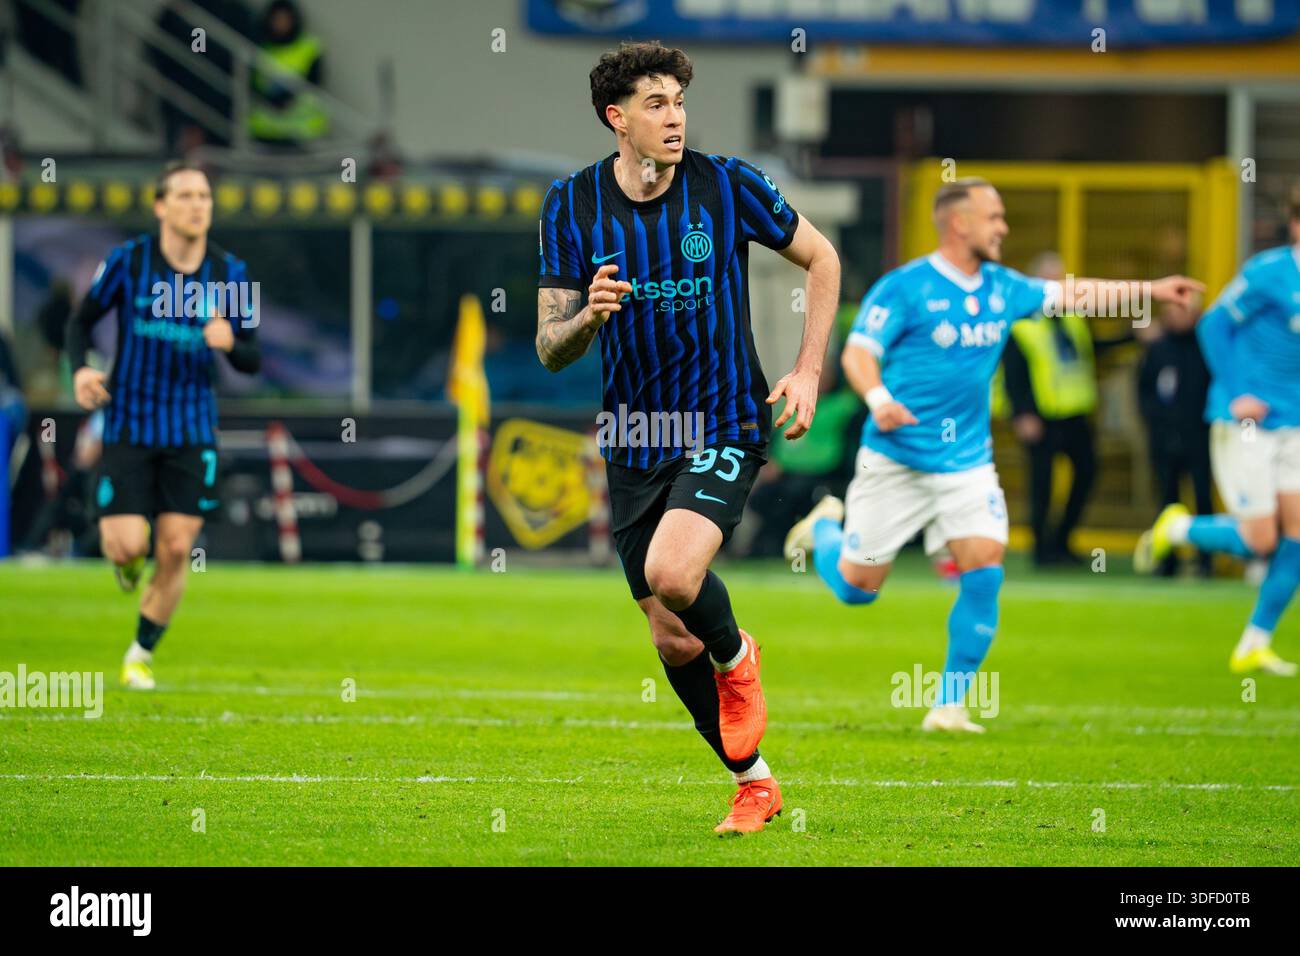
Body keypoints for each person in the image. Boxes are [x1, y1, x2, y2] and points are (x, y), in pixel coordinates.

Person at [536, 42, 839, 833]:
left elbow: (823, 257)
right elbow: (548, 345)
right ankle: (755, 782)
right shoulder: (569, 206)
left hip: (722, 420)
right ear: (618, 118)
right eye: (656, 105)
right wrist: (586, 318)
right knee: (672, 640)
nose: (674, 118)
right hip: (634, 436)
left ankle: (738, 656)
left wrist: (807, 371)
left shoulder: (725, 184)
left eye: (679, 102)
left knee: (676, 575)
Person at [785, 178, 1200, 732]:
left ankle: (949, 705)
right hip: (896, 460)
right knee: (859, 592)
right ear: (959, 223)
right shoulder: (905, 287)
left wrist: (1150, 290)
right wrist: (880, 399)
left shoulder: (1005, 288)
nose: (1003, 227)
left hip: (968, 463)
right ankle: (825, 529)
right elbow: (861, 354)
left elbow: (1076, 295)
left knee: (983, 571)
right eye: (995, 217)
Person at [65, 161, 261, 690]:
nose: (198, 205)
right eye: (186, 195)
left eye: (204, 196)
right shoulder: (129, 263)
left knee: (176, 547)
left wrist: (232, 345)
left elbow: (253, 356)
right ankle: (127, 566)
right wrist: (82, 367)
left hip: (192, 427)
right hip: (129, 422)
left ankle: (139, 653)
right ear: (161, 206)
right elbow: (81, 322)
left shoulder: (232, 274)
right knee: (128, 545)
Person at [1136, 184, 1300, 676]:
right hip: (1248, 423)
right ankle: (1179, 527)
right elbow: (1212, 327)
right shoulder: (1269, 273)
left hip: (1296, 424)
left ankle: (1254, 642)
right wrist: (1236, 391)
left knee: (1297, 535)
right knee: (1260, 541)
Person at [1136, 299, 1212, 577]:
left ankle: (1206, 561)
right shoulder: (1158, 349)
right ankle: (1167, 560)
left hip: (1199, 436)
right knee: (1167, 499)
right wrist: (1156, 423)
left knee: (1203, 497)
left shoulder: (1207, 347)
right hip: (1165, 438)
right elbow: (1144, 390)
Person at [248, 0, 328, 147]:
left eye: (285, 19)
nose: (281, 24)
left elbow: (314, 85)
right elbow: (253, 84)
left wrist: (287, 99)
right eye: (276, 19)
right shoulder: (261, 48)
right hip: (266, 131)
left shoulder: (310, 47)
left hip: (302, 132)